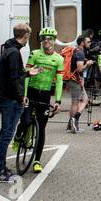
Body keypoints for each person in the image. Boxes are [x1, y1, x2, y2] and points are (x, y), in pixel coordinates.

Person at [19, 27, 64, 173]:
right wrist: (24, 95)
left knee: (42, 129)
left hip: (45, 94)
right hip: (31, 92)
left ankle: (37, 160)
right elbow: (26, 74)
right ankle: (20, 135)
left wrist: (57, 101)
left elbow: (59, 82)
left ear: (54, 41)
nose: (46, 40)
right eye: (44, 38)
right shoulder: (34, 54)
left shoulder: (59, 59)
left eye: (50, 38)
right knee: (25, 121)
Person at [0, 21, 30, 182]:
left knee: (4, 134)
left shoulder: (8, 49)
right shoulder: (14, 53)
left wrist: (27, 73)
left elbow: (13, 74)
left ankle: (0, 167)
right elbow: (13, 79)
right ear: (25, 36)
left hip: (7, 97)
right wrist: (21, 97)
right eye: (28, 35)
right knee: (7, 135)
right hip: (11, 100)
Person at [65, 33, 91, 132]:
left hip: (75, 80)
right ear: (82, 43)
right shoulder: (80, 53)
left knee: (85, 100)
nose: (90, 43)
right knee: (75, 103)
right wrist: (87, 64)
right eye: (88, 42)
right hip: (75, 80)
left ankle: (73, 121)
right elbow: (80, 69)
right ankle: (72, 126)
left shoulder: (76, 51)